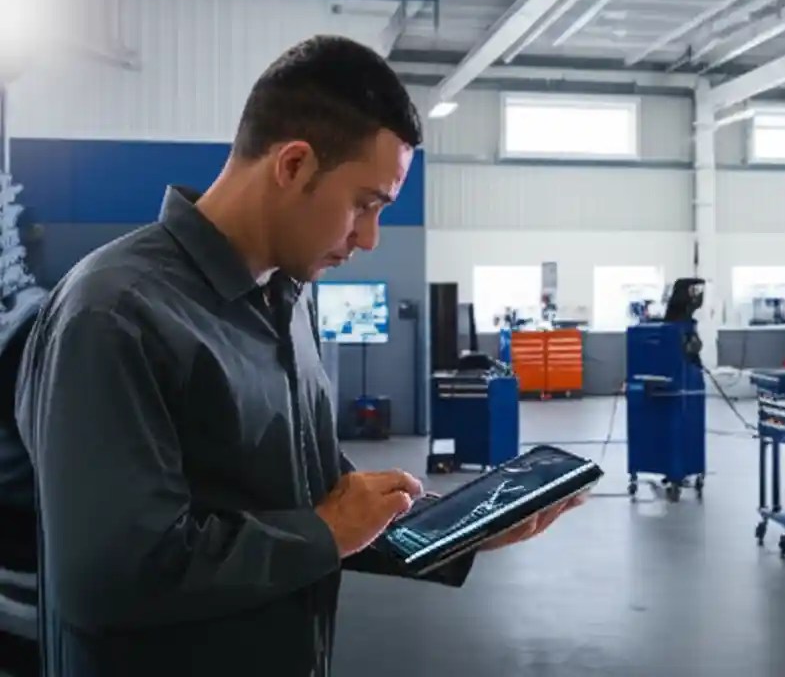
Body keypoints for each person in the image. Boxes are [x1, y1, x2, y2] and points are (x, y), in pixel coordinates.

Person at [14, 35, 584, 677]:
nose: (368, 237)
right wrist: (326, 531)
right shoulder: (116, 312)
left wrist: (460, 529)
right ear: (292, 165)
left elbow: (313, 500)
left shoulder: (286, 298)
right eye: (365, 205)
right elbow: (108, 578)